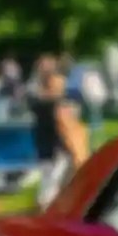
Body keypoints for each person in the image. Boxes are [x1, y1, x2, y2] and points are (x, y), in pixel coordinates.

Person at [32, 71, 89, 208]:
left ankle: (51, 207)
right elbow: (65, 129)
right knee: (52, 185)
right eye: (59, 85)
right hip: (56, 151)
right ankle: (48, 212)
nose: (63, 88)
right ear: (51, 86)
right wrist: (75, 150)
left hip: (46, 150)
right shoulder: (54, 105)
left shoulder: (40, 104)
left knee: (53, 182)